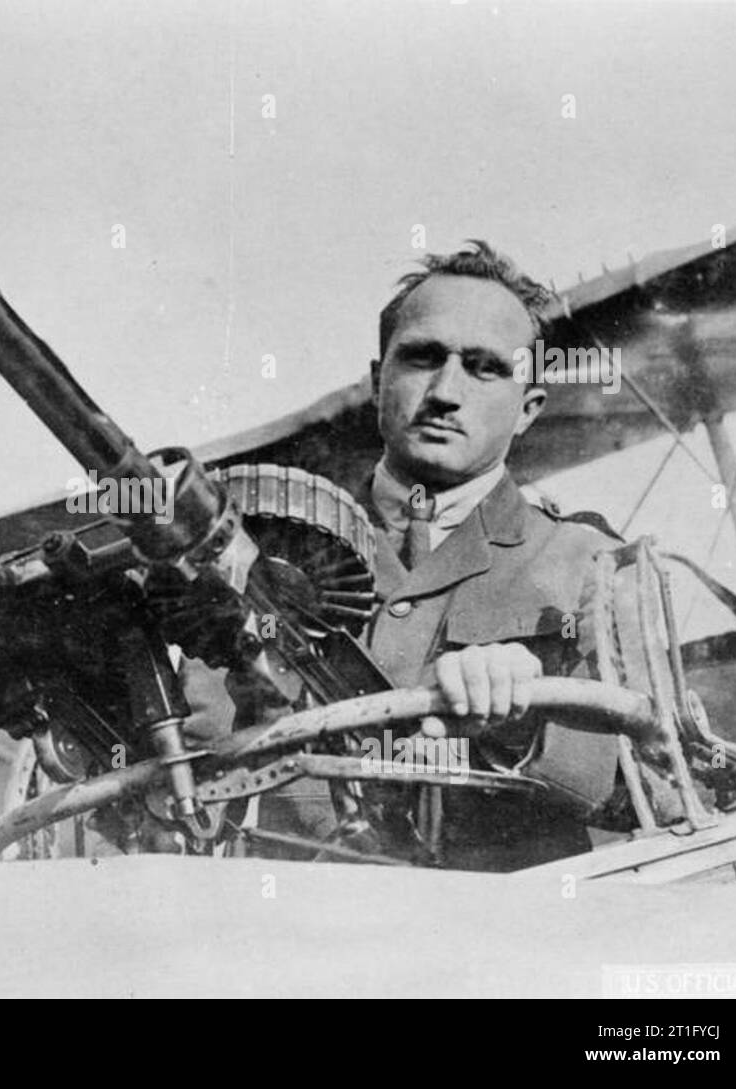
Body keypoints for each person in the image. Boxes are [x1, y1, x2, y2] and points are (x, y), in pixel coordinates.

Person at [190, 240, 626, 871]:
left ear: (528, 408)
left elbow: (659, 788)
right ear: (377, 381)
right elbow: (193, 772)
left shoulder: (588, 564)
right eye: (423, 358)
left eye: (485, 368)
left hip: (505, 942)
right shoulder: (264, 559)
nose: (446, 391)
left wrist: (523, 720)